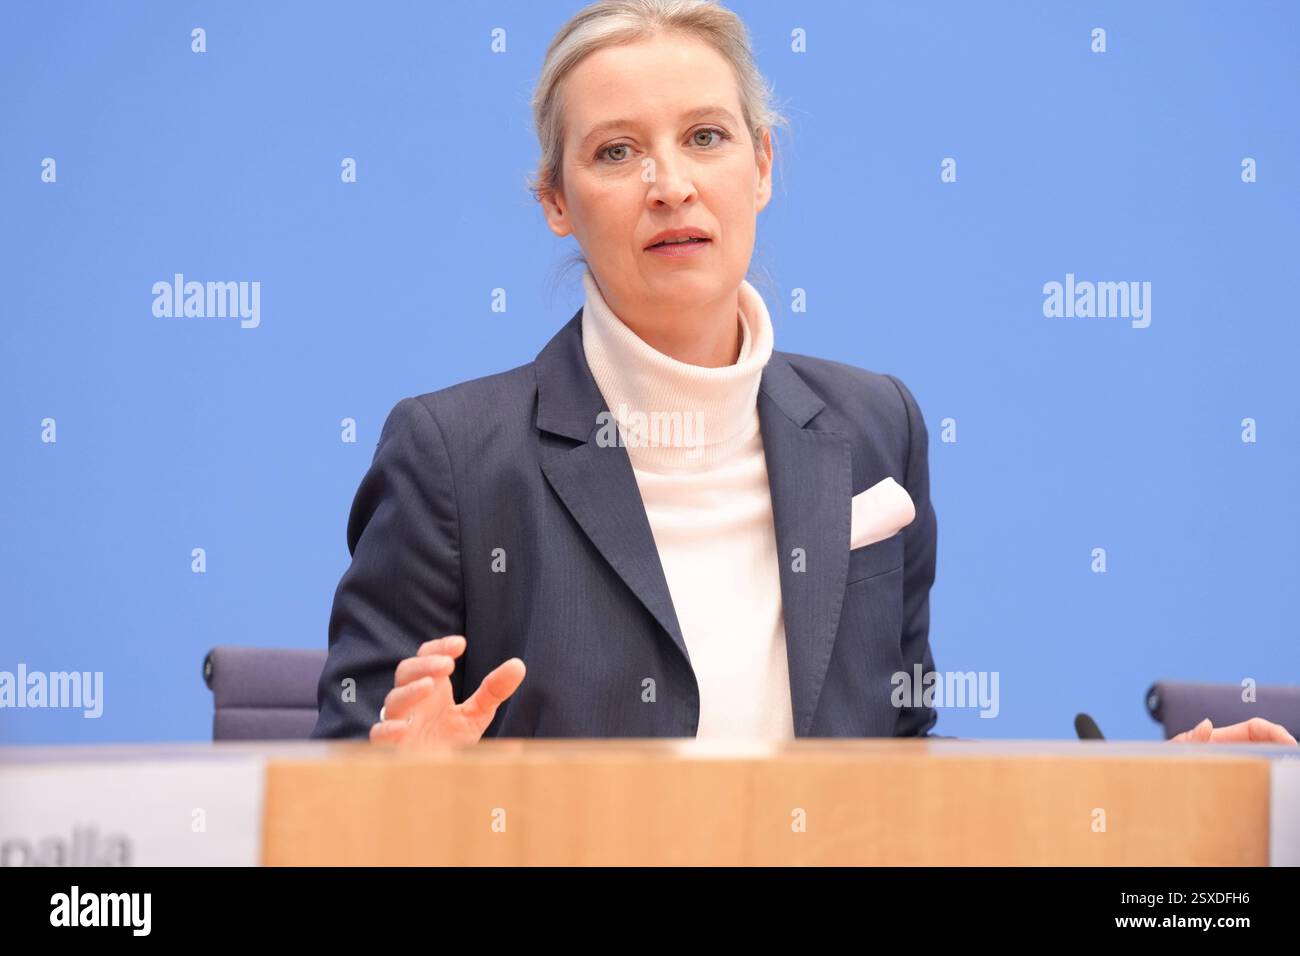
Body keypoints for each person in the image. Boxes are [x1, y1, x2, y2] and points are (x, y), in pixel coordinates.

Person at [310, 0, 1295, 748]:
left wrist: (1126, 801)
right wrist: (397, 778)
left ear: (763, 164)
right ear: (556, 202)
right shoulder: (453, 455)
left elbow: (898, 759)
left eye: (705, 136)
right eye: (616, 152)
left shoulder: (874, 425)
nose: (671, 183)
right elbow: (341, 770)